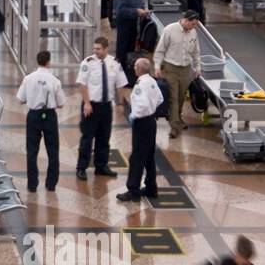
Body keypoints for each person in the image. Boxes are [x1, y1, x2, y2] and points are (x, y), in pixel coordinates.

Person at [75, 37, 128, 182]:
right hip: (91, 106)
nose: (95, 51)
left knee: (104, 138)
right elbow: (82, 84)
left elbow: (121, 84)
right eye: (95, 48)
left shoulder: (114, 63)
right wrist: (86, 103)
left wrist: (120, 104)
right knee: (87, 138)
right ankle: (81, 167)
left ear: (106, 48)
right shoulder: (88, 62)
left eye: (98, 49)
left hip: (106, 106)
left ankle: (101, 166)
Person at [16, 49, 65, 192]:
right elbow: (61, 103)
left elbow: (20, 99)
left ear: (38, 62)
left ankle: (32, 185)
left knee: (32, 151)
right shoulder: (54, 80)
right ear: (49, 62)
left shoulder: (28, 78)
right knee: (53, 151)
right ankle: (51, 184)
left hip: (33, 116)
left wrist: (33, 98)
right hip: (49, 116)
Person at [118, 56, 164, 203]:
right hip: (151, 121)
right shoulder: (151, 81)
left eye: (135, 66)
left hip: (142, 123)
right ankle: (151, 187)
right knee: (149, 155)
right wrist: (151, 110)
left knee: (137, 157)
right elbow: (160, 99)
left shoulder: (140, 84)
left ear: (138, 69)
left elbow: (142, 105)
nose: (133, 68)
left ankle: (133, 190)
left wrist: (134, 115)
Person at [153, 10, 201, 137]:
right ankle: (175, 127)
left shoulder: (193, 33)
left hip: (186, 69)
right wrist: (157, 66)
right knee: (174, 98)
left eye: (196, 25)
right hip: (171, 68)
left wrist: (198, 66)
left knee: (181, 97)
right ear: (186, 20)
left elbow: (196, 52)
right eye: (193, 24)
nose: (194, 27)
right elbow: (160, 50)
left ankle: (177, 118)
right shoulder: (170, 30)